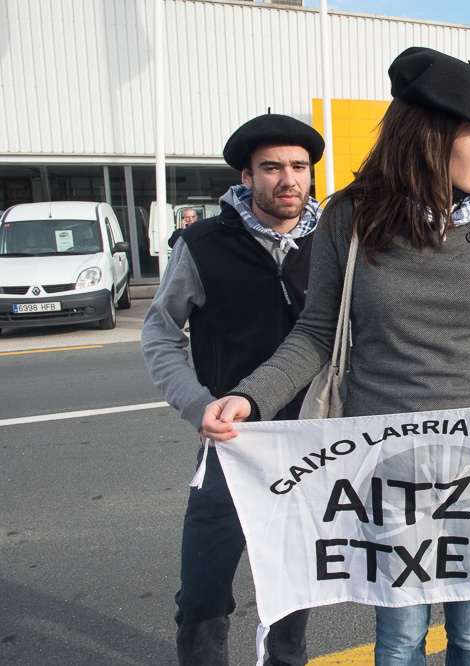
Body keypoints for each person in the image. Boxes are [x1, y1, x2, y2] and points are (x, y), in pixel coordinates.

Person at [198, 47, 470, 666]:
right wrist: (248, 399)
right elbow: (315, 335)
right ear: (433, 136)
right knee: (402, 638)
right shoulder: (350, 218)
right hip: (389, 462)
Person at [142, 113, 325, 666]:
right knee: (202, 594)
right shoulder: (201, 243)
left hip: (314, 444)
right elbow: (159, 333)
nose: (287, 178)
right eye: (271, 167)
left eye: (298, 166)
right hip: (229, 444)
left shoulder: (338, 246)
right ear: (246, 177)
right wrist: (196, 405)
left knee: (295, 587)